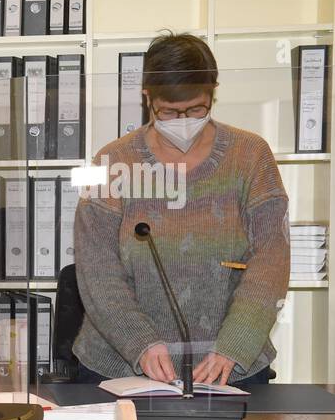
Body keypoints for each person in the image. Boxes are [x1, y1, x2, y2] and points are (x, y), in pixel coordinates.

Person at [72, 32, 290, 386]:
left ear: (213, 94)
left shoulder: (251, 156)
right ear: (148, 98)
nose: (184, 120)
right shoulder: (112, 160)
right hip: (120, 366)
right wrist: (140, 343)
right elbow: (97, 270)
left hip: (229, 367)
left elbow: (272, 259)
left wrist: (235, 344)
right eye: (169, 112)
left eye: (196, 110)